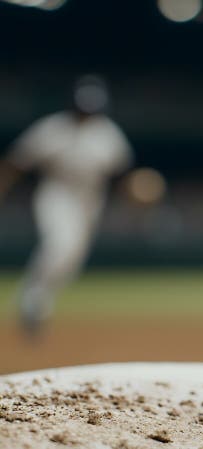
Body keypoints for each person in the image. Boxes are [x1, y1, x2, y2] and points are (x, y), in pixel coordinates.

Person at [0, 75, 135, 338]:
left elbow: (122, 175)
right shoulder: (52, 129)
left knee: (70, 260)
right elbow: (16, 164)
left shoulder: (108, 134)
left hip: (90, 199)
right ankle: (31, 302)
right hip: (56, 193)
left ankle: (38, 303)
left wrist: (134, 193)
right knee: (60, 244)